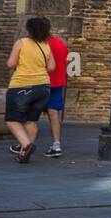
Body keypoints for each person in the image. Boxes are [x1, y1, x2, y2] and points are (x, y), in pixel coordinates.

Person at [5, 17, 55, 164]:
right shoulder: (46, 45)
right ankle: (23, 153)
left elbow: (11, 63)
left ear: (29, 29)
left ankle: (26, 145)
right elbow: (52, 67)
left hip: (21, 86)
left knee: (12, 120)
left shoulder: (21, 43)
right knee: (31, 120)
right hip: (43, 87)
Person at [41, 27, 70, 157]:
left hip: (41, 82)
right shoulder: (61, 44)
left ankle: (25, 144)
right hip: (58, 82)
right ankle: (56, 145)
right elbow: (66, 61)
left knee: (30, 114)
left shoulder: (40, 45)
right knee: (54, 114)